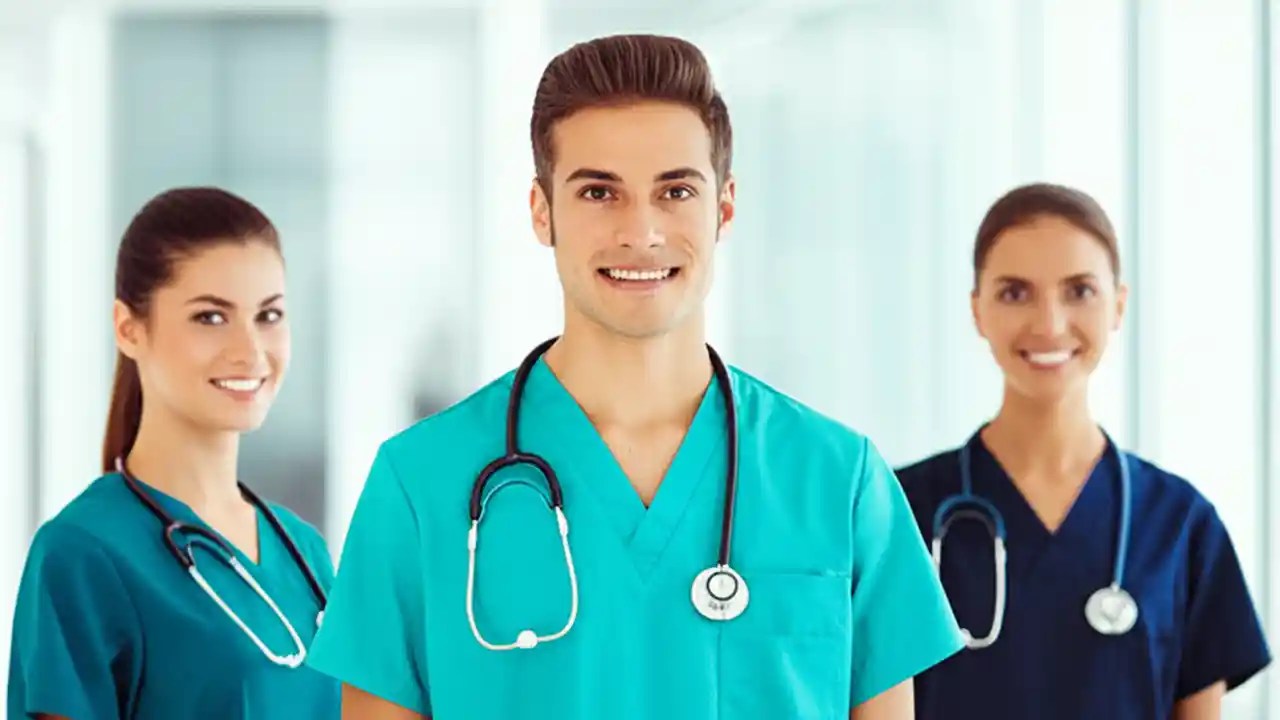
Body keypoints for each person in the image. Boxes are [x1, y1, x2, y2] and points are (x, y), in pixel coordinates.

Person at [305, 33, 963, 720]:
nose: (641, 231)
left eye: (676, 190)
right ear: (542, 211)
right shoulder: (421, 484)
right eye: (599, 192)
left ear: (725, 208)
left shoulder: (838, 481)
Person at [896, 182, 1272, 719]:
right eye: (1015, 293)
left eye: (1079, 291)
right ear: (977, 311)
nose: (1049, 324)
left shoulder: (1180, 525)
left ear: (1118, 304)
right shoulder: (899, 511)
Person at [7, 187, 339, 719]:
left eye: (269, 315)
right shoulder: (81, 553)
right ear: (129, 328)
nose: (250, 351)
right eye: (211, 317)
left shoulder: (306, 553)